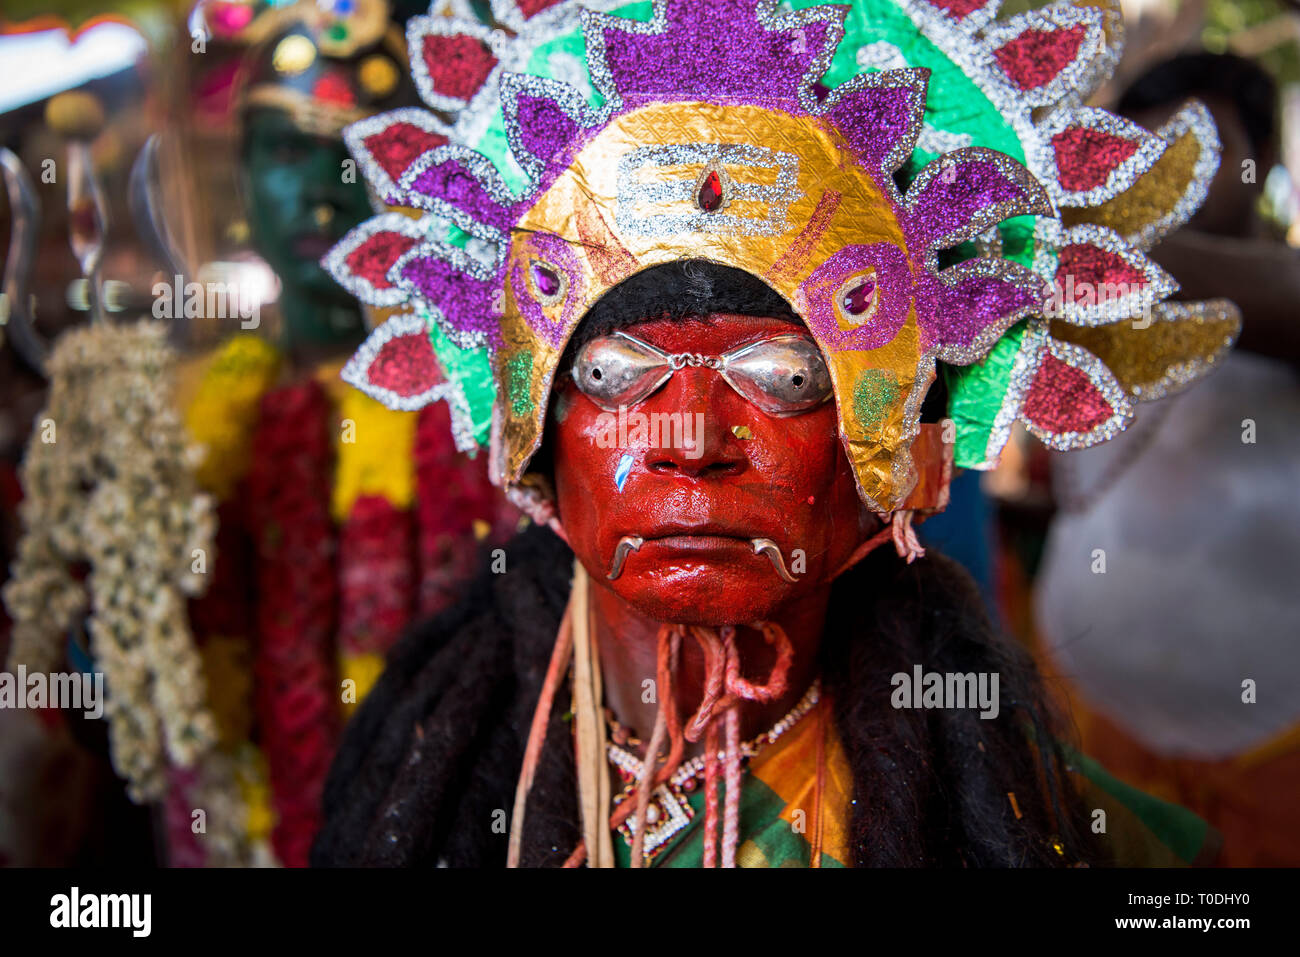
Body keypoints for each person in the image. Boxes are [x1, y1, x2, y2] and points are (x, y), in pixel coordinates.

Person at [307, 0, 1236, 867]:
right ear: (533, 441)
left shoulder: (1056, 828)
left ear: (902, 446)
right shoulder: (434, 776)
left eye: (785, 378)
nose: (692, 439)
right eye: (613, 377)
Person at [1035, 52, 1300, 867]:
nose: (1159, 175)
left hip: (1271, 758)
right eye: (1140, 151)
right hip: (1083, 723)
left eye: (1198, 149)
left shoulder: (1274, 294)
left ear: (1267, 167)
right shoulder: (1093, 296)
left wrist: (1069, 237)